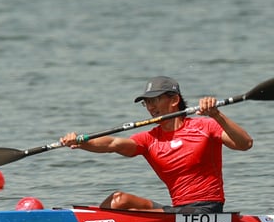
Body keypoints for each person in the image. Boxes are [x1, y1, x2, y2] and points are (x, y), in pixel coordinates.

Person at [60, 76, 253, 213]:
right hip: (178, 210)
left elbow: (245, 144)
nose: (150, 107)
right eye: (147, 103)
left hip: (206, 209)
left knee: (135, 221)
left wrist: (217, 115)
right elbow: (112, 143)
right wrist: (81, 141)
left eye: (155, 100)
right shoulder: (149, 139)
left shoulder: (205, 126)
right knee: (118, 200)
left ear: (174, 100)